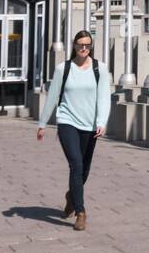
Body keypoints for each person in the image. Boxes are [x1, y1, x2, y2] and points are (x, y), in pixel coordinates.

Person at [36, 30, 109, 231]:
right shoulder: (63, 69)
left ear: (91, 46)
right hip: (67, 121)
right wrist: (42, 124)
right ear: (74, 46)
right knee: (76, 164)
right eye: (80, 45)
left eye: (87, 44)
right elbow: (52, 97)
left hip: (90, 124)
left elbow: (104, 97)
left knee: (84, 169)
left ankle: (71, 195)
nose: (83, 48)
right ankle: (80, 212)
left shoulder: (99, 69)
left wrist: (102, 121)